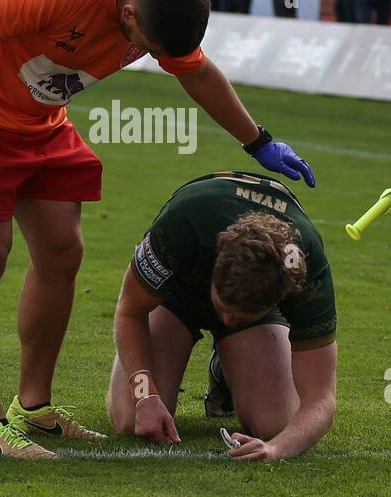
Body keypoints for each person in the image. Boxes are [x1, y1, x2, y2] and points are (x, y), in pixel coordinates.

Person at [0, 0, 316, 458]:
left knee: (63, 251)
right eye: (148, 49)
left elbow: (198, 73)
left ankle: (33, 406)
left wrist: (259, 142)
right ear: (129, 13)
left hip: (42, 121)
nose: (151, 56)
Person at [105, 172, 337, 461]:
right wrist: (145, 396)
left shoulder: (307, 269)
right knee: (130, 417)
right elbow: (129, 311)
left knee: (277, 424)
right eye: (222, 306)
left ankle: (227, 367)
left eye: (238, 316)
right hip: (179, 293)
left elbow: (320, 400)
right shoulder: (182, 225)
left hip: (254, 313)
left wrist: (276, 448)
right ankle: (229, 349)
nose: (226, 319)